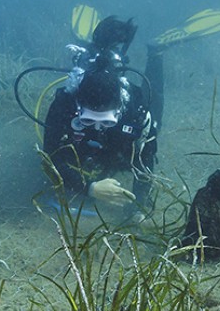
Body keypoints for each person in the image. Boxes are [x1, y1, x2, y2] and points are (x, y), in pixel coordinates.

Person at [40, 14, 164, 214]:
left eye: (106, 122)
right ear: (78, 108)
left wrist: (139, 206)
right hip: (85, 126)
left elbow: (145, 158)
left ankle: (156, 54)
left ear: (119, 110)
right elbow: (49, 157)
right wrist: (89, 188)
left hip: (121, 123)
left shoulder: (134, 108)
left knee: (155, 118)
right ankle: (94, 47)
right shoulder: (65, 104)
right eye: (88, 120)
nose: (97, 127)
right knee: (92, 62)